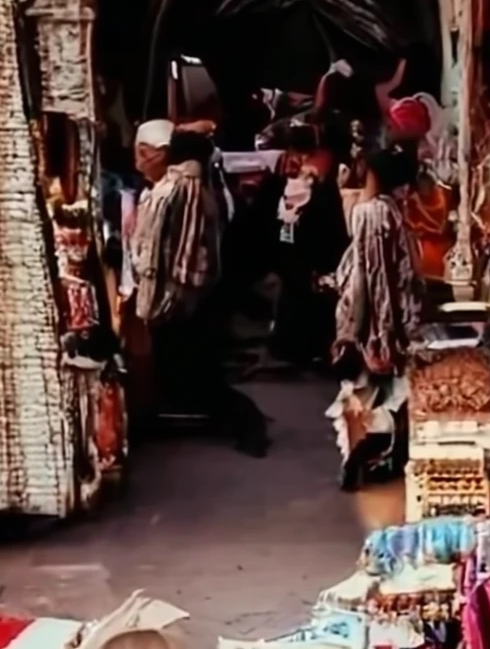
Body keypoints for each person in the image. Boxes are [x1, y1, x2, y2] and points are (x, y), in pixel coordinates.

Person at [130, 127, 270, 457]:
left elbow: (182, 252)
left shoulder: (183, 189)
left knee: (200, 378)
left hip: (185, 302)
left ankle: (249, 427)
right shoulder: (191, 187)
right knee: (192, 374)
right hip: (189, 300)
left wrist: (172, 299)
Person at [328, 145, 422, 490]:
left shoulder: (372, 213)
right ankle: (381, 457)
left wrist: (362, 333)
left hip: (373, 324)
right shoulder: (391, 211)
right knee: (385, 395)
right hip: (385, 323)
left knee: (363, 394)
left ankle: (361, 458)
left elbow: (372, 278)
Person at [268, 124, 350, 367]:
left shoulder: (327, 185)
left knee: (310, 301)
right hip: (294, 253)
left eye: (304, 153)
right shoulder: (285, 180)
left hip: (313, 256)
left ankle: (310, 347)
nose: (299, 159)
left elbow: (332, 225)